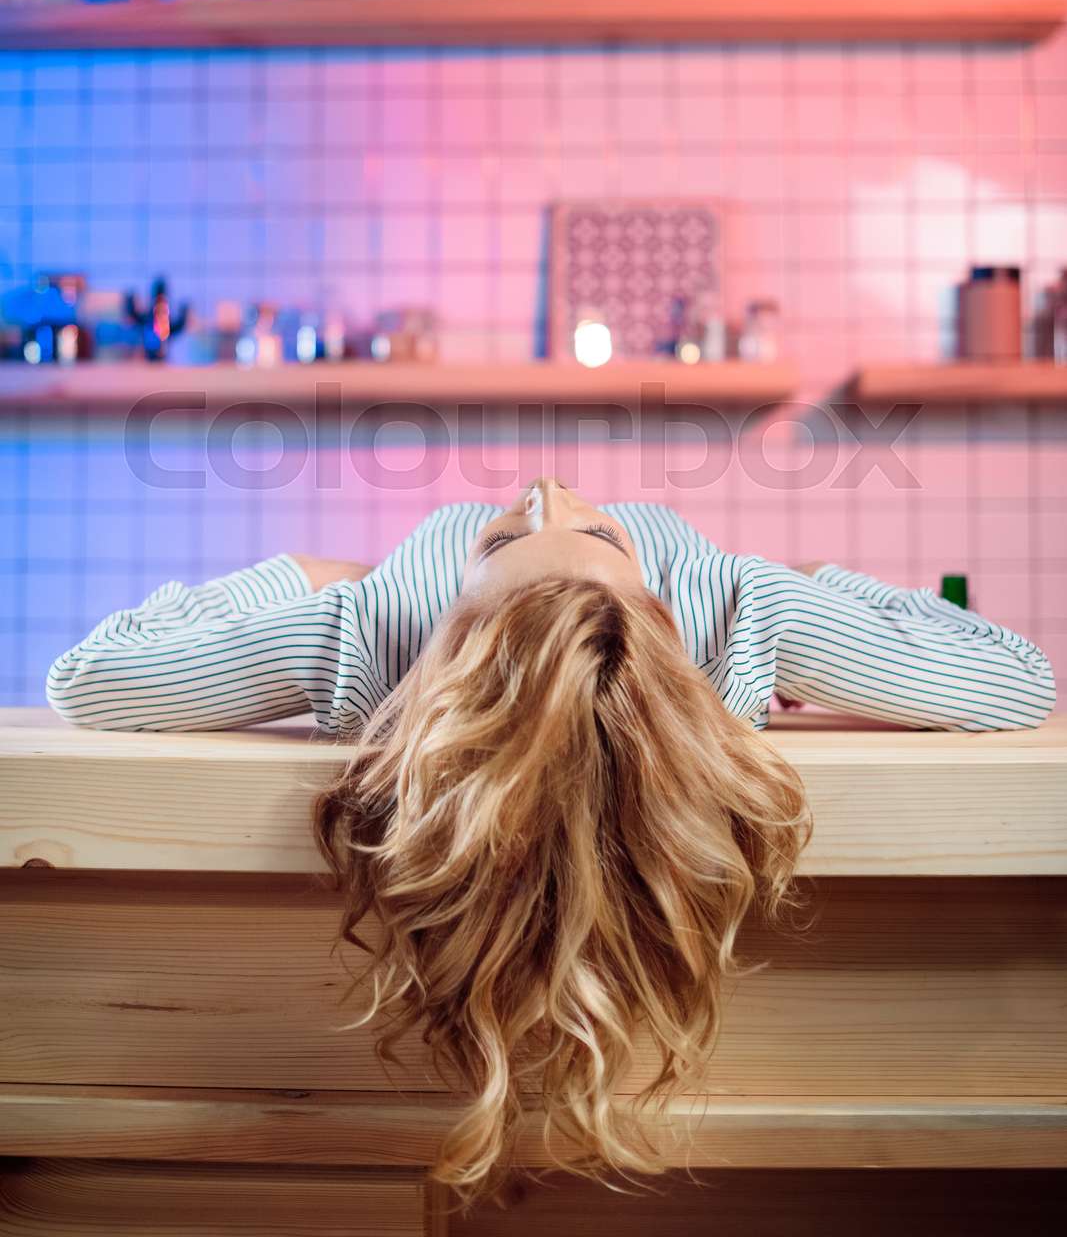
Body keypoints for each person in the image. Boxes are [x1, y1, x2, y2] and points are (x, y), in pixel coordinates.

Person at [45, 480, 1055, 1206]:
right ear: (663, 617)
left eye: (514, 539)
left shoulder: (381, 629)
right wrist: (802, 592)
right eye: (572, 524)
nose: (543, 490)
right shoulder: (734, 610)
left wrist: (307, 578)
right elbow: (1012, 677)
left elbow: (93, 679)